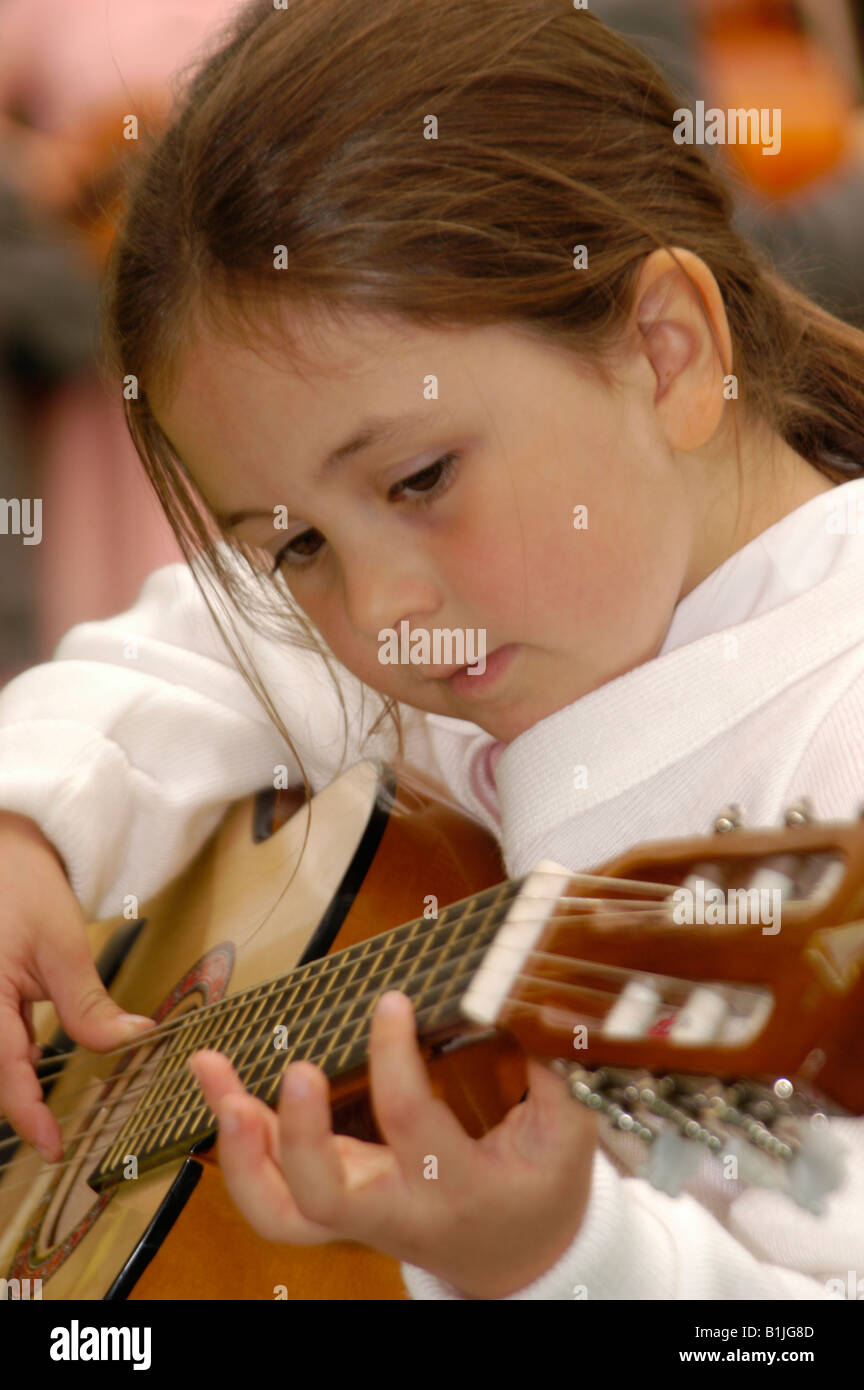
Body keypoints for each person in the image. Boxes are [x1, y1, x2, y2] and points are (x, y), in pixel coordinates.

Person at [1, 0, 864, 1300]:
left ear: (666, 352)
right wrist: (28, 826)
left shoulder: (830, 718)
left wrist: (568, 1257)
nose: (378, 617)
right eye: (294, 546)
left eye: (418, 479)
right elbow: (206, 637)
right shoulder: (500, 623)